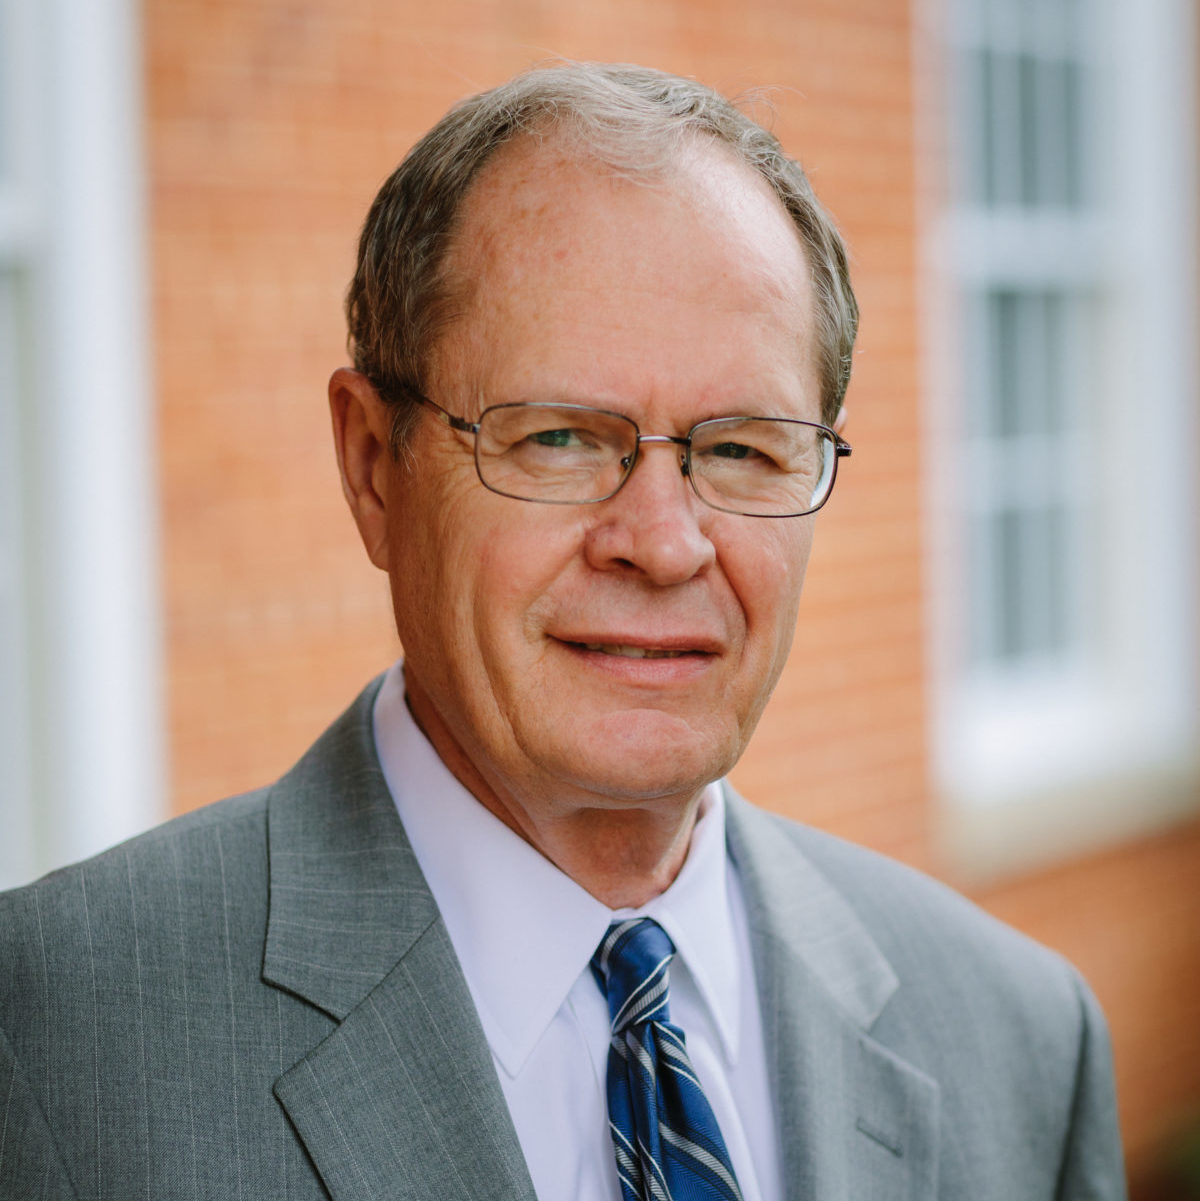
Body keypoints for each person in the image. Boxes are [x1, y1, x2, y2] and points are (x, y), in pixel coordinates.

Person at [0, 62, 1124, 1201]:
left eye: (742, 448)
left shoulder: (1023, 1042)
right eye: (560, 439)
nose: (664, 542)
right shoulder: (49, 1039)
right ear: (373, 467)